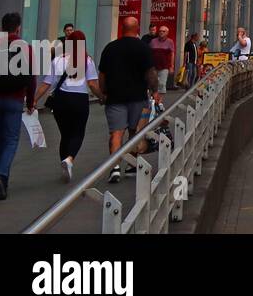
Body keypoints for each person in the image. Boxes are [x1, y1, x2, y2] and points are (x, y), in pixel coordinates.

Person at [35, 30, 102, 183]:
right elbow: (92, 84)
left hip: (61, 100)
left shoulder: (57, 60)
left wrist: (33, 100)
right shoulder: (87, 60)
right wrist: (102, 97)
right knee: (78, 132)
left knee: (65, 134)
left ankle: (64, 163)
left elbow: (46, 84)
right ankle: (70, 159)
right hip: (79, 100)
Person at [99, 17, 159, 183]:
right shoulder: (143, 48)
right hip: (138, 97)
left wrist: (103, 93)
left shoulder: (110, 48)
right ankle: (132, 166)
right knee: (135, 132)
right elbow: (150, 73)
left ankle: (115, 168)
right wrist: (155, 90)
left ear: (122, 28)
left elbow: (102, 75)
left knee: (116, 133)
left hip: (115, 97)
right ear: (137, 28)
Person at [0, 13, 36, 200]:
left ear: (2, 28)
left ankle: (2, 180)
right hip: (15, 99)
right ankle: (1, 176)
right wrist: (31, 102)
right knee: (11, 140)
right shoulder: (26, 48)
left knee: (1, 139)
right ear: (18, 28)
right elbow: (31, 79)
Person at [150, 25, 175, 92]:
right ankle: (153, 100)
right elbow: (149, 53)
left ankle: (159, 101)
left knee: (162, 84)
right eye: (160, 31)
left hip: (164, 67)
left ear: (167, 33)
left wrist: (172, 66)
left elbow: (172, 54)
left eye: (163, 31)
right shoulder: (153, 41)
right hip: (154, 67)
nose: (161, 32)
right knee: (153, 84)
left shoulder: (170, 42)